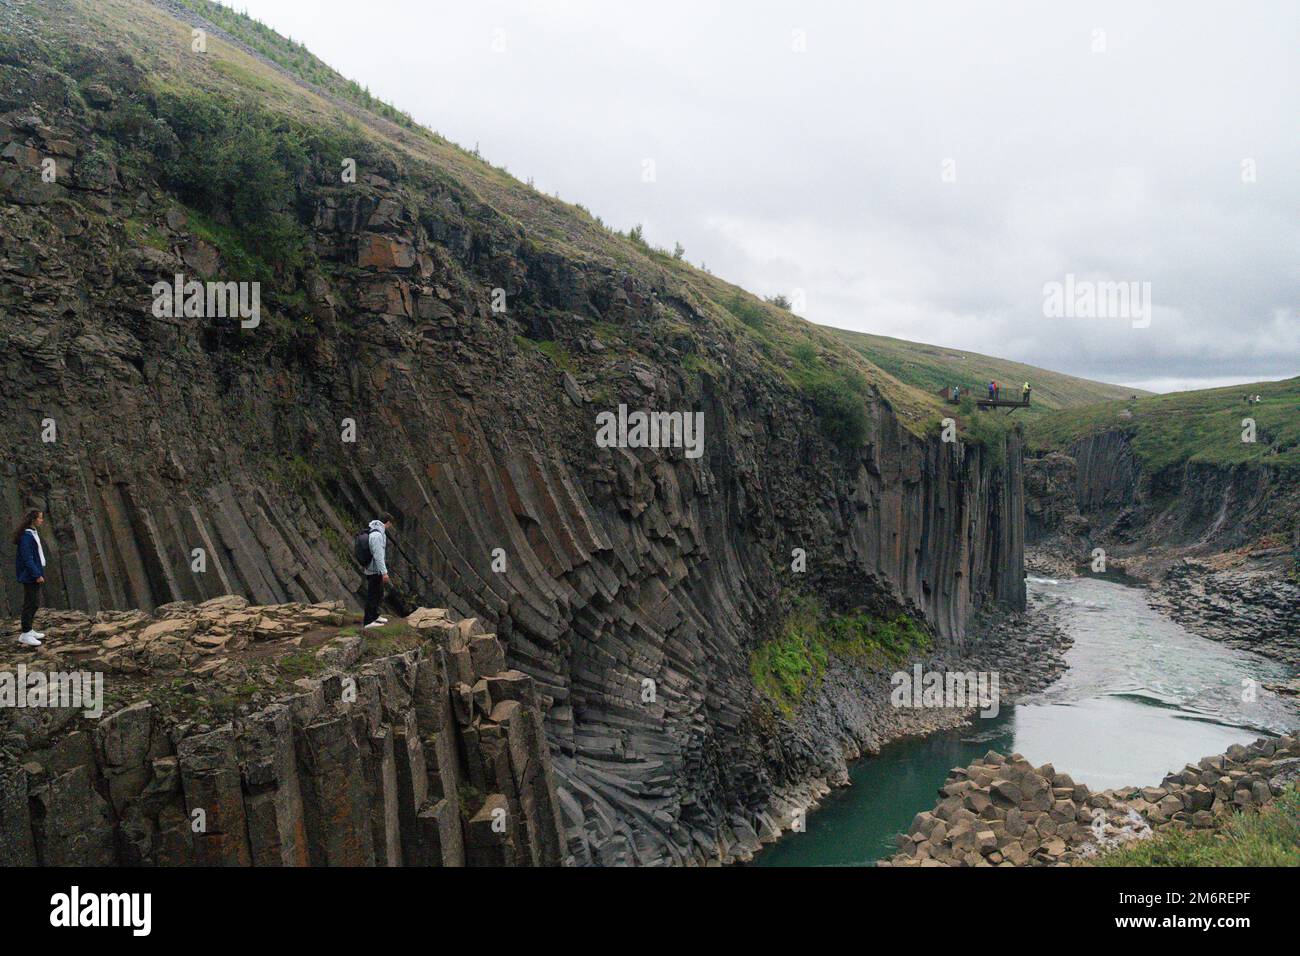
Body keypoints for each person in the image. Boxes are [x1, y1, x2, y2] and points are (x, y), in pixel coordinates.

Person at [13, 508, 46, 646]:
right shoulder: (26, 536)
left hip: (34, 572)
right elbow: (27, 558)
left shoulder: (32, 532)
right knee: (31, 603)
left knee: (33, 602)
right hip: (30, 575)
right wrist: (36, 574)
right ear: (33, 519)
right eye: (39, 518)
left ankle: (29, 630)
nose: (41, 520)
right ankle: (25, 634)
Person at [361, 513, 393, 629]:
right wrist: (384, 572)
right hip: (374, 570)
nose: (390, 527)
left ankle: (374, 616)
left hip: (374, 569)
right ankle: (368, 621)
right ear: (387, 522)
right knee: (372, 595)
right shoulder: (377, 535)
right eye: (390, 524)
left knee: (378, 594)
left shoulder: (374, 531)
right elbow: (378, 556)